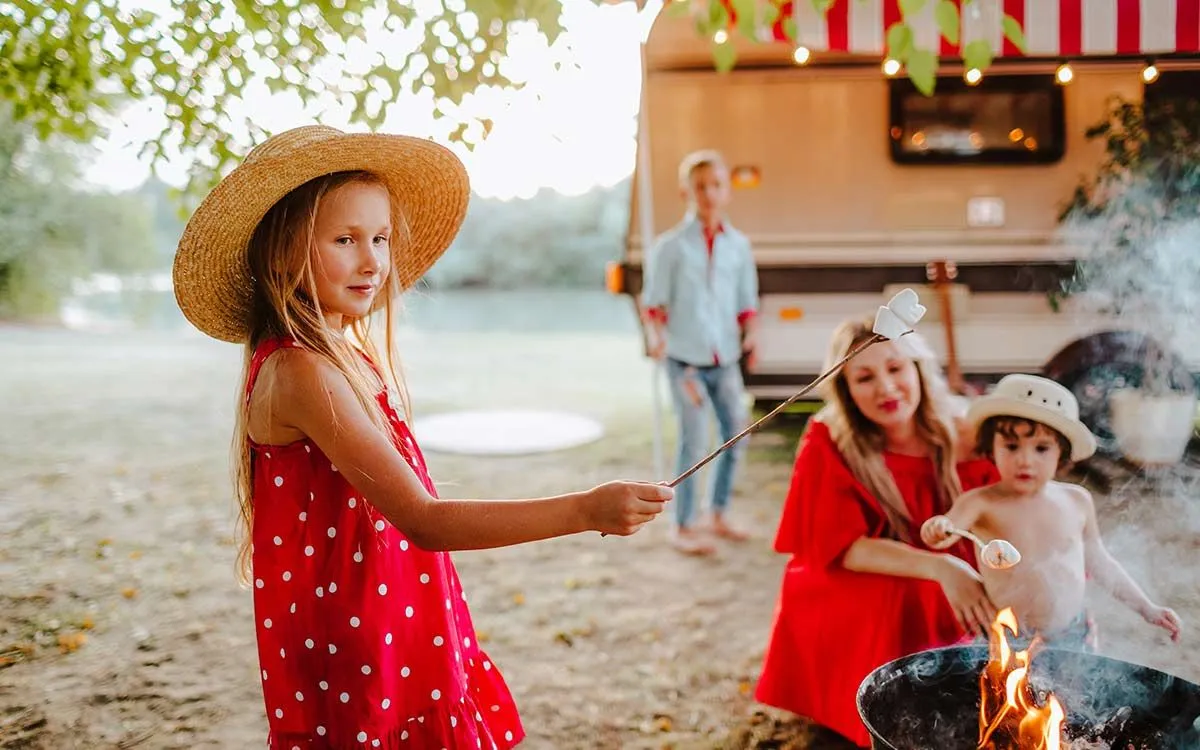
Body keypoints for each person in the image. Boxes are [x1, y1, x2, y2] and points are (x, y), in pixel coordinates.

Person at [171, 125, 673, 749]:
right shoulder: (302, 372)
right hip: (362, 642)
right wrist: (584, 509)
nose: (372, 261)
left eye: (379, 238)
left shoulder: (340, 357)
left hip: (400, 621)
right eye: (345, 239)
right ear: (281, 252)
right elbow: (423, 519)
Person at [754, 313, 1001, 748]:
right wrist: (941, 567)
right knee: (908, 591)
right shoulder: (829, 437)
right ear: (846, 389)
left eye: (895, 368)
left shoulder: (965, 430)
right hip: (872, 563)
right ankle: (876, 707)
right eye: (864, 377)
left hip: (955, 552)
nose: (885, 388)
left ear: (917, 369)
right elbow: (843, 547)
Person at [921, 373, 1183, 651]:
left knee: (1077, 694)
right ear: (991, 448)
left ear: (1062, 453)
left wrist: (1147, 608)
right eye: (1011, 447)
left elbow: (1100, 562)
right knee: (1009, 694)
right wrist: (937, 528)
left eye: (1042, 449)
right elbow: (945, 531)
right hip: (1010, 640)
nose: (1025, 460)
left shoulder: (1077, 500)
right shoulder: (980, 502)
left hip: (1073, 634)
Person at [641, 149, 759, 556]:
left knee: (736, 433)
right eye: (700, 186)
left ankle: (719, 512)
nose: (708, 193)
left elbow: (746, 299)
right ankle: (684, 524)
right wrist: (655, 335)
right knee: (693, 441)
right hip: (686, 361)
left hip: (724, 357)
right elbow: (653, 302)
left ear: (727, 191)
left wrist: (751, 335)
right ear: (686, 192)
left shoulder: (739, 246)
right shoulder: (670, 247)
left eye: (716, 185)